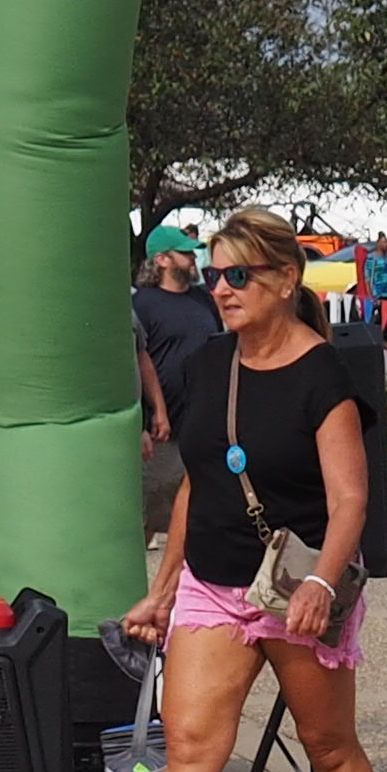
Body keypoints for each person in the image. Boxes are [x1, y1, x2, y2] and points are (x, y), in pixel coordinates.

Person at [86, 208, 387, 772]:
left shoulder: (322, 375)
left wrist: (323, 582)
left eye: (236, 275)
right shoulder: (209, 363)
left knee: (329, 747)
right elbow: (199, 482)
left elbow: (350, 498)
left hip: (296, 588)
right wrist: (164, 588)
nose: (220, 289)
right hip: (214, 585)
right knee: (191, 748)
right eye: (213, 275)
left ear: (285, 279)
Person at [131, 221, 219, 539]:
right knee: (148, 515)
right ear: (162, 260)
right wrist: (151, 415)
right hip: (163, 433)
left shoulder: (204, 299)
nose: (193, 259)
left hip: (204, 423)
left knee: (198, 516)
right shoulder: (142, 304)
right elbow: (138, 361)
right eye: (185, 254)